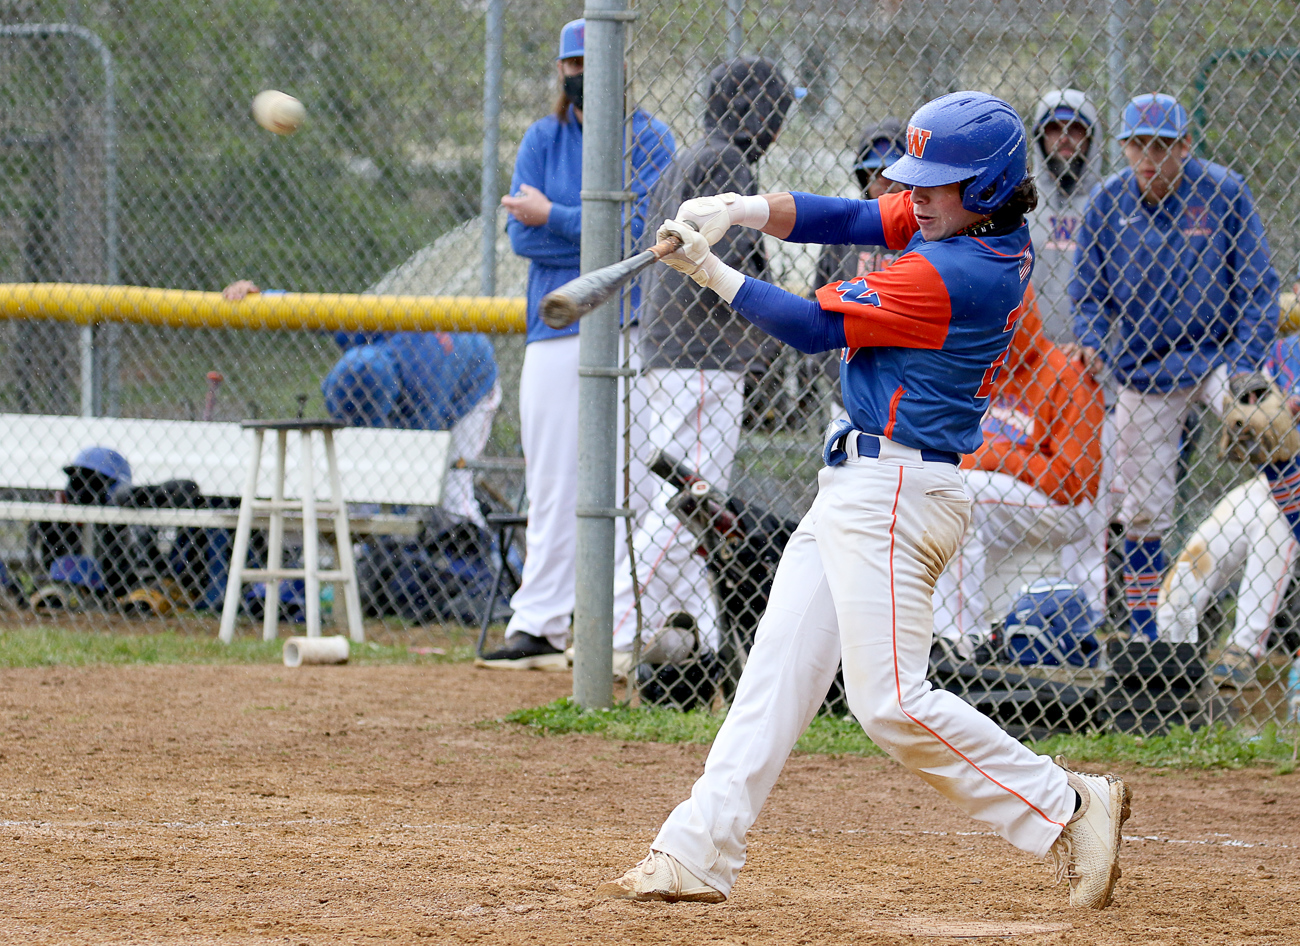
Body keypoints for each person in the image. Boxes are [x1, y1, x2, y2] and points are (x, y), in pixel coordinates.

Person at [597, 91, 1131, 911]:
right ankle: (696, 851)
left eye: (935, 181)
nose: (914, 194)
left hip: (897, 491)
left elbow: (812, 327)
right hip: (862, 483)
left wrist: (709, 267)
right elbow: (850, 217)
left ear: (984, 187)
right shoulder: (966, 225)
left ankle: (1068, 806)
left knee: (888, 704)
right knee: (775, 677)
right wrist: (738, 208)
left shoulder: (957, 271)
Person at [477, 19, 675, 669]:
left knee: (633, 482)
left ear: (622, 66)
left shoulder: (648, 138)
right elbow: (521, 239)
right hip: (557, 327)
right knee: (555, 480)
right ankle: (538, 622)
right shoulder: (544, 136)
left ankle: (614, 625)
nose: (580, 73)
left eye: (593, 61)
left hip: (629, 327)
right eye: (571, 63)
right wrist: (588, 225)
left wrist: (556, 216)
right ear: (560, 71)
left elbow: (642, 235)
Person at [1070, 92, 1278, 640]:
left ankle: (1278, 583)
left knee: (1280, 439)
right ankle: (1151, 636)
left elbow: (1258, 288)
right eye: (1138, 145)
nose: (1149, 158)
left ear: (1185, 146)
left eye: (1162, 146)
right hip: (1142, 368)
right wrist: (1091, 339)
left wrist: (1245, 368)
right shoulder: (1107, 203)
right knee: (1142, 512)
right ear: (1123, 147)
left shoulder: (1224, 193)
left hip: (1218, 359)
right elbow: (1088, 294)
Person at [610, 56, 796, 666]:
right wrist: (778, 334)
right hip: (703, 358)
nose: (779, 121)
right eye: (775, 108)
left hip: (674, 353)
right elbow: (740, 268)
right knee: (688, 502)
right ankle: (610, 630)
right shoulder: (726, 163)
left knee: (688, 507)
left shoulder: (692, 156)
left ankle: (707, 645)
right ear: (755, 112)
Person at [220, 281, 500, 527]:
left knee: (451, 496)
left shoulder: (423, 384)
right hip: (422, 370)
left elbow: (412, 463)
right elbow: (311, 311)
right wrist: (262, 296)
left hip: (473, 385)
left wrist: (385, 521)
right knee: (366, 487)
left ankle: (481, 570)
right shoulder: (369, 328)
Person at [933, 286, 1106, 655]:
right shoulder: (974, 368)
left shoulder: (1068, 374)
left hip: (1062, 511)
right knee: (938, 492)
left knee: (960, 492)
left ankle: (960, 641)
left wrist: (997, 456)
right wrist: (991, 458)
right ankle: (935, 632)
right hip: (995, 496)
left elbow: (1076, 484)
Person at [1158, 332, 1300, 687]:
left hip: (1287, 499)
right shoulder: (1284, 350)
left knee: (1273, 522)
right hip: (1276, 482)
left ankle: (1242, 649)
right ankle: (1173, 649)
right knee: (1204, 545)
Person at [808, 118, 907, 416]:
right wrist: (832, 370)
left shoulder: (924, 229)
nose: (882, 179)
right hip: (849, 379)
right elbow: (820, 297)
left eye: (890, 171)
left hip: (906, 382)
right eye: (873, 171)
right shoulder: (846, 229)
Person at [1025, 89, 1102, 345]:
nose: (1065, 138)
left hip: (1091, 353)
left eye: (1076, 128)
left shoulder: (1108, 202)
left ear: (1092, 137)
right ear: (1039, 137)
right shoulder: (1018, 203)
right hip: (1028, 355)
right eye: (1054, 129)